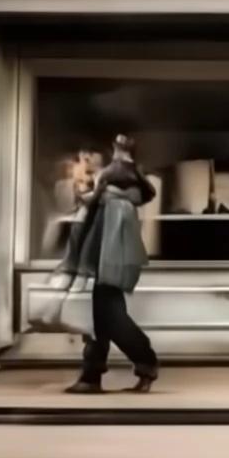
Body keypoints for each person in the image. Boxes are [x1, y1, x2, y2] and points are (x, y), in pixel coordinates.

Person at [63, 134, 159, 394]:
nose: (84, 162)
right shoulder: (111, 195)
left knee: (110, 318)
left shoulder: (113, 197)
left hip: (109, 262)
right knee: (101, 320)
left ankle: (145, 361)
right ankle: (92, 374)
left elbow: (103, 234)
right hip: (106, 261)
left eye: (90, 155)